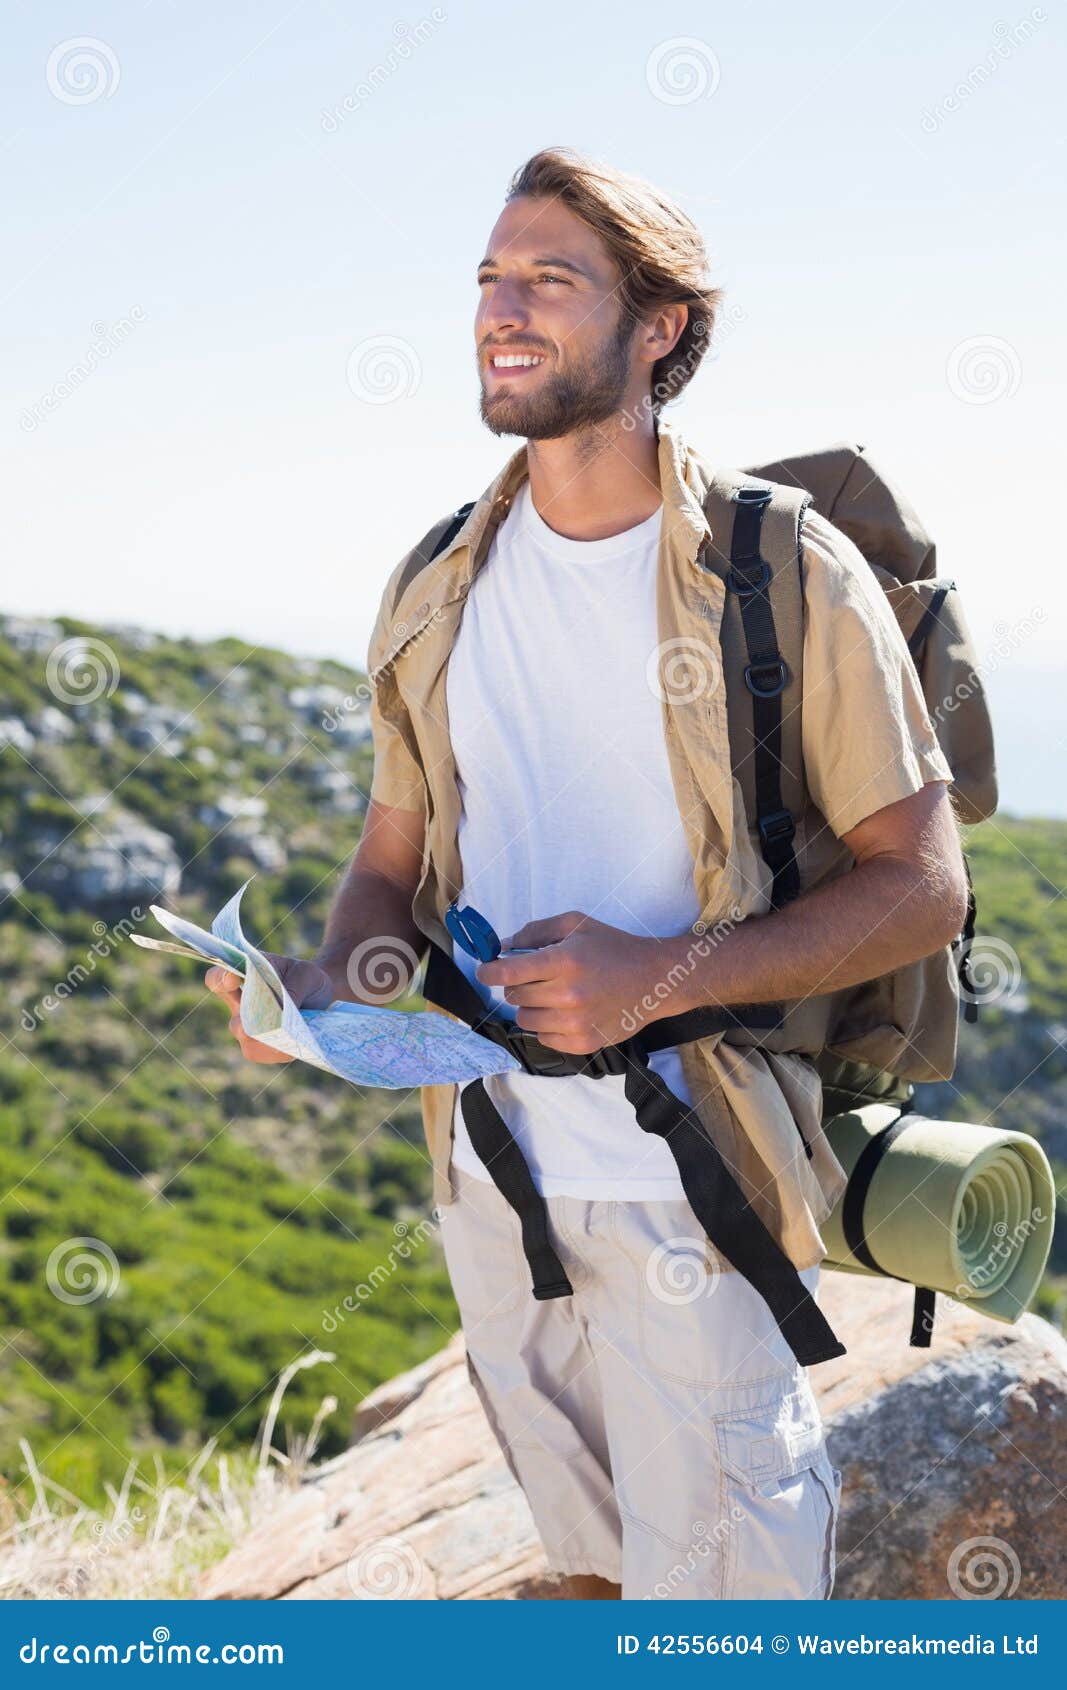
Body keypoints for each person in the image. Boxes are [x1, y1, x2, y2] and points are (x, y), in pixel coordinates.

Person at [206, 147, 967, 1600]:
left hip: (696, 1180)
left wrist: (652, 978)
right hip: (491, 1184)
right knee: (603, 1582)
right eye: (492, 279)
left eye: (551, 280)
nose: (504, 309)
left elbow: (922, 883)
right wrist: (331, 995)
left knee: (735, 1606)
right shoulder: (439, 580)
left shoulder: (783, 570)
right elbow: (390, 865)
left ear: (659, 325)